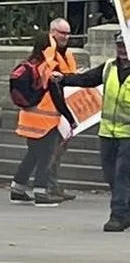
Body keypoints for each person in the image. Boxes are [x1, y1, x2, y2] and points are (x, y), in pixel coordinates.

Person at [58, 32, 130, 231]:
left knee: (122, 174)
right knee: (110, 175)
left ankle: (117, 215)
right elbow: (87, 79)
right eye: (119, 46)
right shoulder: (109, 67)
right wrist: (63, 79)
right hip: (107, 131)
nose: (122, 50)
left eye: (126, 46)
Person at [10, 32, 77, 206]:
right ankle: (41, 193)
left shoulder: (30, 64)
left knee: (32, 155)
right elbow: (56, 97)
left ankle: (17, 189)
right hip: (46, 121)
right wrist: (70, 118)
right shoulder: (48, 67)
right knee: (46, 156)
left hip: (28, 118)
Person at [45, 17, 79, 201]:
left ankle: (52, 185)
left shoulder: (68, 54)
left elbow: (69, 76)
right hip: (51, 111)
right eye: (62, 33)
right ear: (52, 32)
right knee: (51, 151)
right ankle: (47, 187)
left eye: (68, 33)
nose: (66, 36)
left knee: (59, 151)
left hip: (66, 109)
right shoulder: (48, 52)